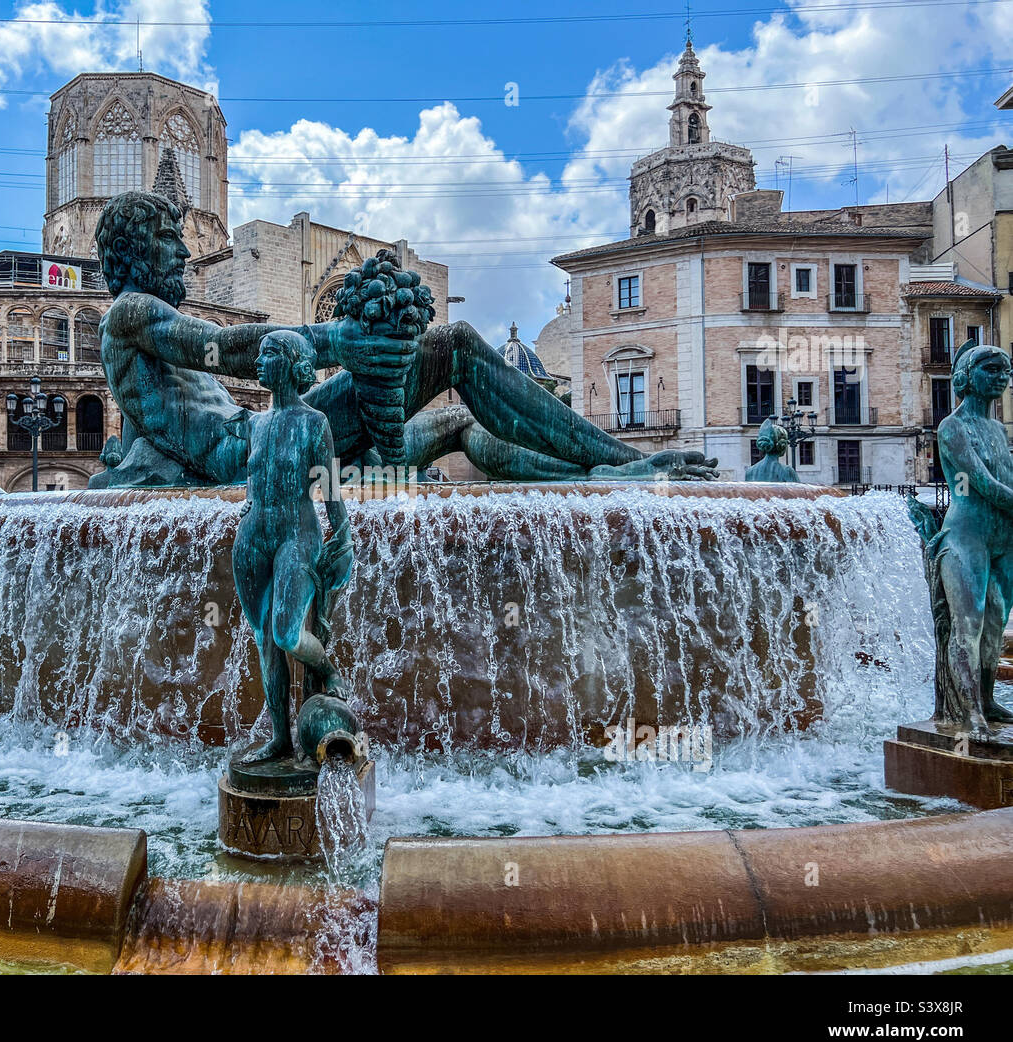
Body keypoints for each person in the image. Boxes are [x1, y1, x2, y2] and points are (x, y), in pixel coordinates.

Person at [90, 190, 719, 488]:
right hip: (261, 451)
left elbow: (160, 427)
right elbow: (230, 351)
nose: (181, 254)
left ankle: (587, 479)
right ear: (137, 251)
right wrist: (341, 340)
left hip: (277, 449)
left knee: (456, 430)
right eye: (170, 241)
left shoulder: (140, 330)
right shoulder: (131, 313)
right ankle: (621, 462)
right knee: (452, 347)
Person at [231, 331, 353, 763]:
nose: (259, 363)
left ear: (292, 364)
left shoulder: (313, 422)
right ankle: (280, 738)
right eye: (260, 354)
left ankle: (326, 668)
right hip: (252, 535)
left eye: (269, 355)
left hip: (296, 533)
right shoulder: (254, 423)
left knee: (286, 633)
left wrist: (344, 535)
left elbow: (331, 485)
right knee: (265, 638)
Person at [927, 343, 1013, 735]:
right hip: (965, 537)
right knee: (968, 624)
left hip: (1004, 537)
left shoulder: (997, 428)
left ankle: (989, 700)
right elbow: (982, 483)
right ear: (965, 376)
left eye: (1005, 371)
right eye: (992, 369)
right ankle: (969, 710)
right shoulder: (952, 426)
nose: (1002, 377)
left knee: (995, 622)